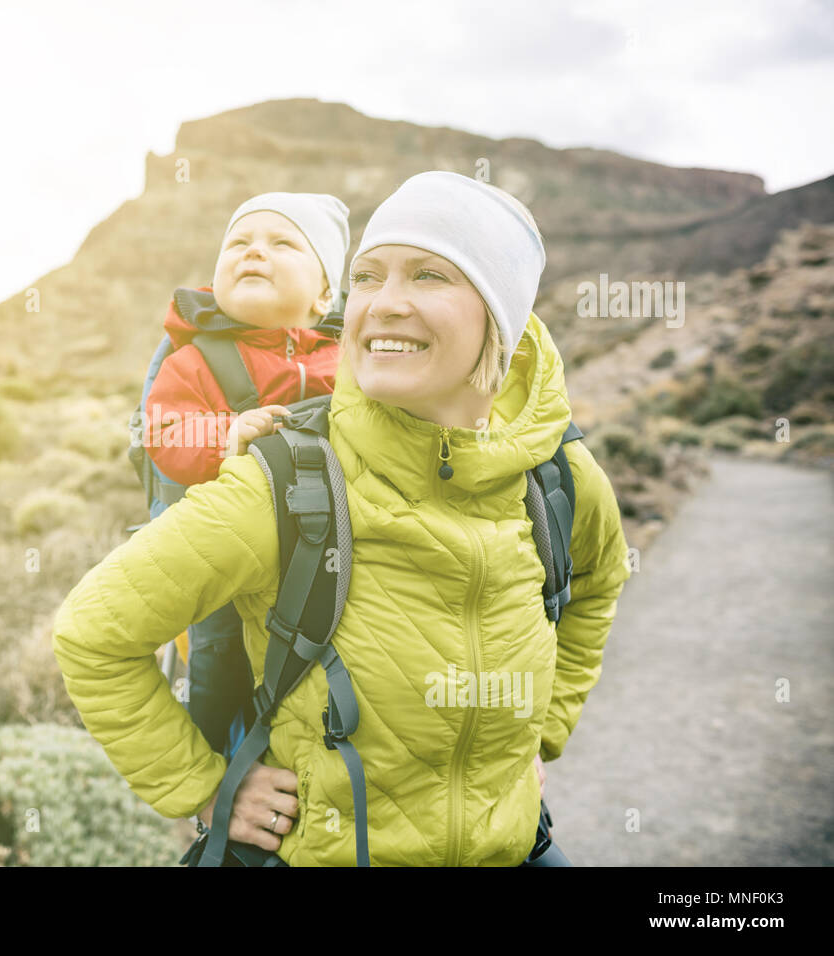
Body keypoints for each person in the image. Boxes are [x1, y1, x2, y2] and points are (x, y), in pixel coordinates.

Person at [53, 171, 632, 865]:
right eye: (369, 276)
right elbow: (92, 634)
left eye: (427, 275)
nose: (385, 304)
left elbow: (597, 583)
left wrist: (541, 731)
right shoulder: (284, 481)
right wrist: (207, 788)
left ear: (500, 312)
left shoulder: (556, 474)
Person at [140, 192, 349, 755]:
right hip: (228, 557)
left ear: (325, 293)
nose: (255, 252)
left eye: (282, 243)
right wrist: (227, 438)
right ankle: (219, 764)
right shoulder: (196, 361)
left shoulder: (349, 363)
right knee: (219, 658)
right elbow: (165, 433)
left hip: (327, 556)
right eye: (239, 242)